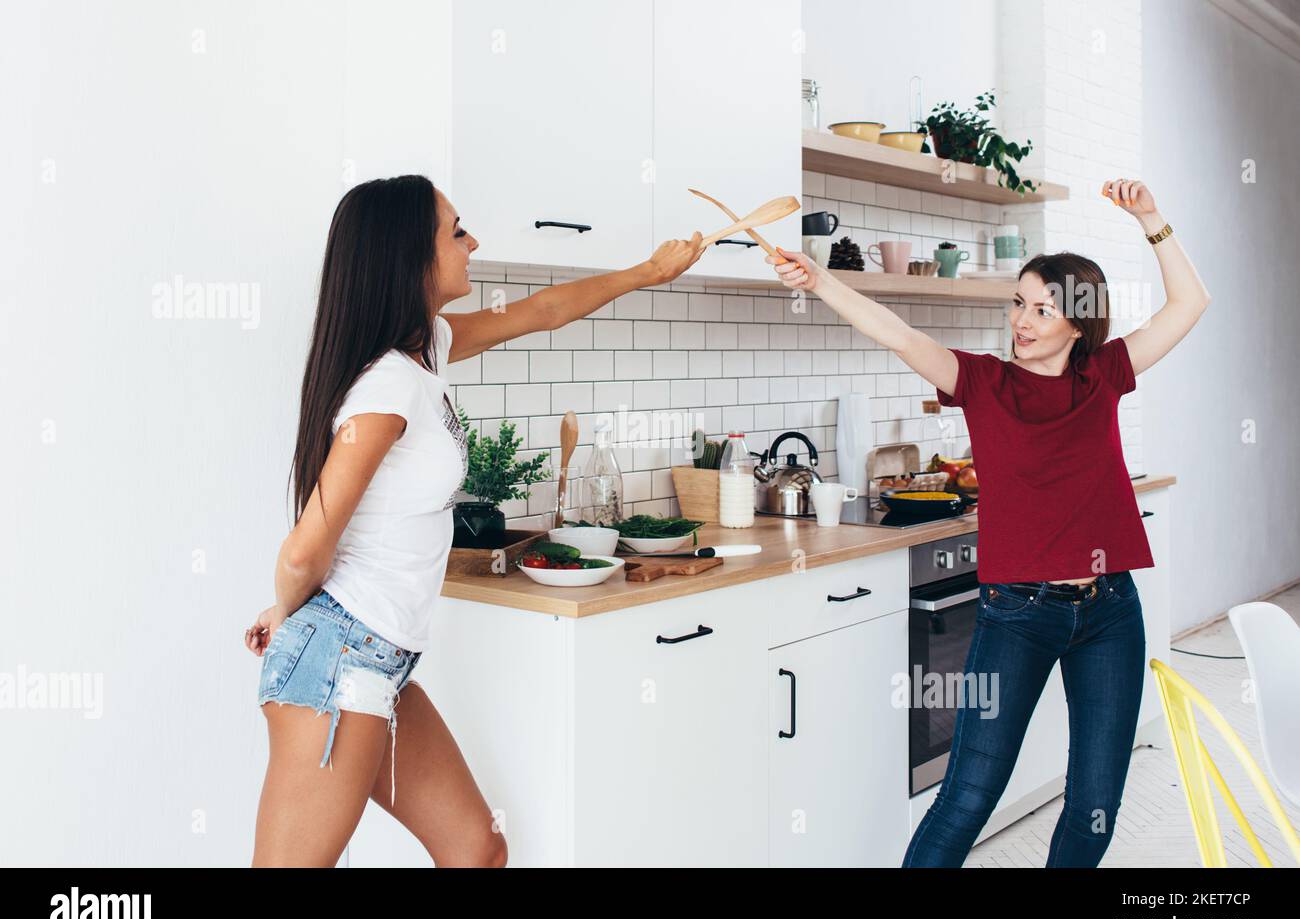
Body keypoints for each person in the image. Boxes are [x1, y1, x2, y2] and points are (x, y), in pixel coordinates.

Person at [244, 174, 705, 867]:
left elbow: (544, 310)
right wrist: (289, 611)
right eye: (456, 230)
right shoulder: (388, 388)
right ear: (409, 254)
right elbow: (306, 545)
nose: (473, 241)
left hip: (382, 659)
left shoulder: (427, 349)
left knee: (476, 849)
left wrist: (649, 271)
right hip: (339, 660)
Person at [769, 178, 1210, 867]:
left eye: (1042, 307)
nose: (1023, 319)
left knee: (1096, 804)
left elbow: (1191, 303)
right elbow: (900, 333)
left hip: (1110, 608)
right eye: (1018, 303)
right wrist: (822, 281)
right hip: (1017, 610)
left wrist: (1152, 217)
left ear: (1078, 321)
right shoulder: (983, 381)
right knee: (970, 794)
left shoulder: (1104, 374)